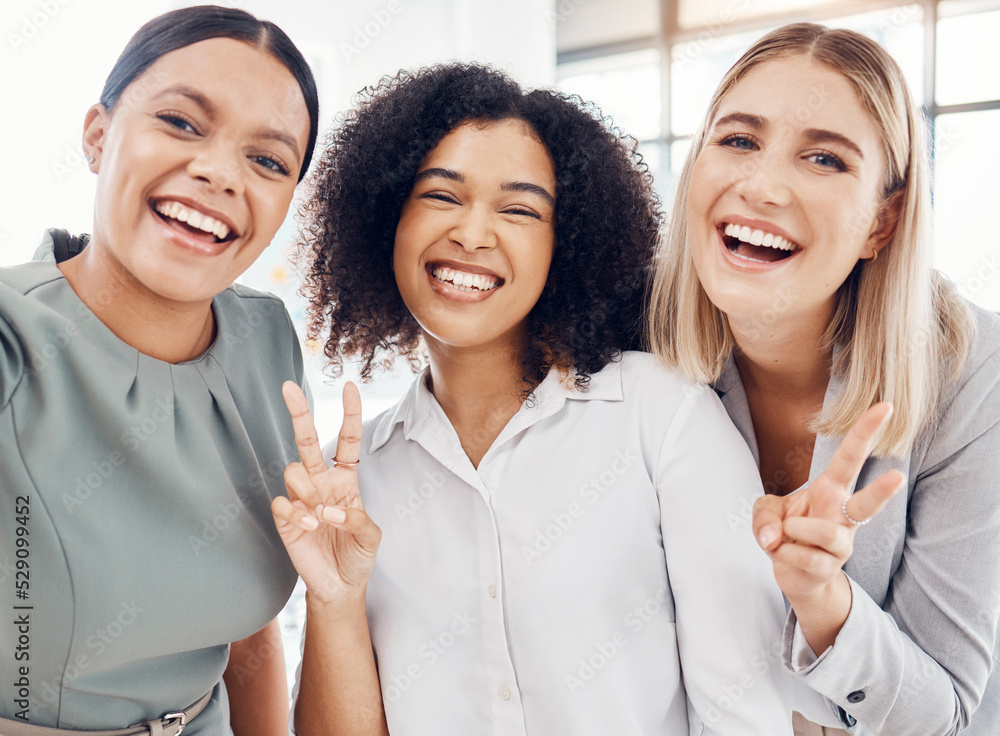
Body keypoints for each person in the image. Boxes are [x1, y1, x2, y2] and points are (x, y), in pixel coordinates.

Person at [270, 62, 794, 735]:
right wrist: (335, 602)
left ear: (566, 246)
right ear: (385, 220)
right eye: (440, 196)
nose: (472, 233)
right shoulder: (359, 473)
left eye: (519, 209)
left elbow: (746, 710)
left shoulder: (661, 418)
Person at [648, 22, 1000, 736]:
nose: (763, 185)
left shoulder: (972, 371)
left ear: (883, 220)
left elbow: (946, 718)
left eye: (824, 159)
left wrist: (824, 599)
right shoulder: (632, 344)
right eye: (739, 140)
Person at [0, 6, 322, 734]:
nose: (217, 172)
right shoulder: (13, 338)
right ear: (97, 135)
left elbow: (245, 631)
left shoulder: (266, 340)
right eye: (181, 122)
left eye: (268, 160)